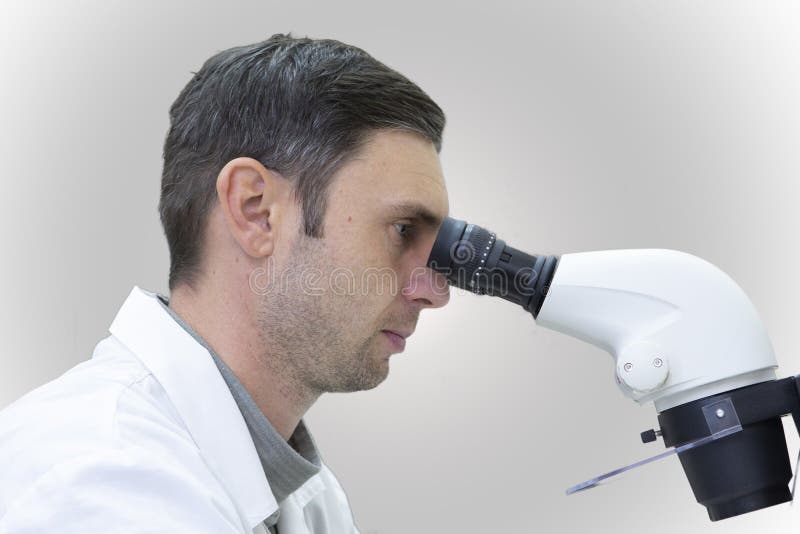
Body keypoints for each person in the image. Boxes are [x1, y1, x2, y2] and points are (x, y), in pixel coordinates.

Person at [0, 34, 451, 533]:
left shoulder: (305, 495)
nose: (435, 292)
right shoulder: (100, 484)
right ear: (255, 211)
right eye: (403, 231)